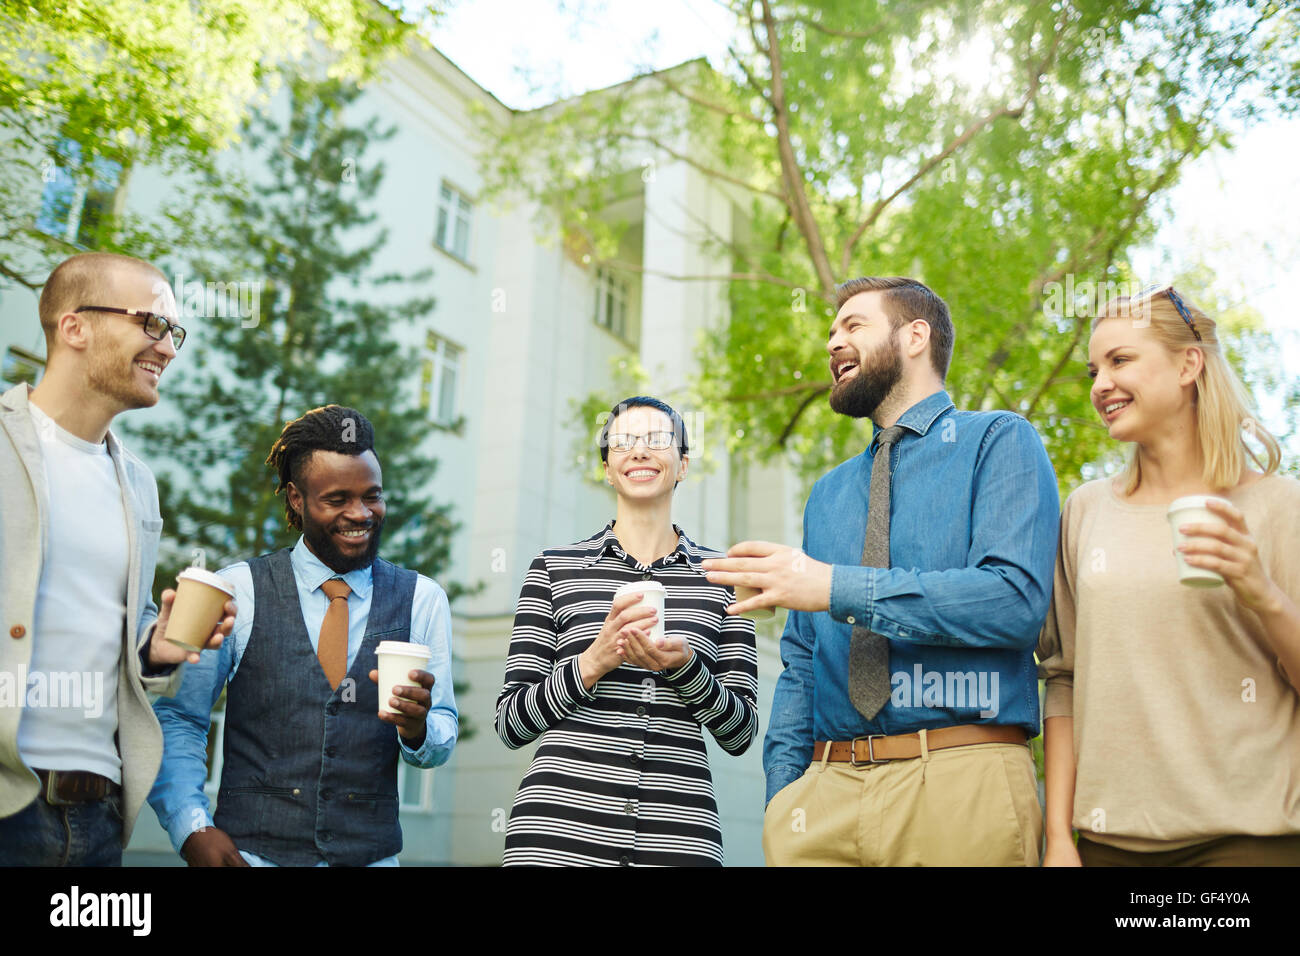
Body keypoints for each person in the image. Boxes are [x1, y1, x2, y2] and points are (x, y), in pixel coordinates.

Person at [703, 276, 1059, 866]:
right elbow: (800, 662)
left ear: (915, 336)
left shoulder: (999, 441)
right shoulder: (828, 494)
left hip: (959, 781)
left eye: (853, 325)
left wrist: (835, 587)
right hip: (825, 799)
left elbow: (1013, 602)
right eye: (831, 330)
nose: (832, 342)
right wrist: (784, 797)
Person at [1038, 286, 1300, 866]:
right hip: (1109, 844)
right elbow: (1064, 679)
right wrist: (1059, 837)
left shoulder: (1280, 507)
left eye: (1121, 360)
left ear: (1189, 363)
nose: (1100, 383)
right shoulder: (1085, 511)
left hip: (1245, 844)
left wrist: (1265, 596)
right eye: (1093, 369)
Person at [148, 404, 458, 866]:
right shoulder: (238, 590)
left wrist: (417, 729)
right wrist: (192, 828)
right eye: (337, 500)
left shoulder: (423, 599)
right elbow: (180, 718)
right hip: (252, 857)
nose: (361, 514)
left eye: (372, 496)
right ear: (295, 498)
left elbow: (441, 735)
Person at [0, 252, 232, 866]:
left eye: (173, 332)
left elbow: (115, 643)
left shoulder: (136, 484)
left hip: (98, 821)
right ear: (75, 327)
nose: (169, 349)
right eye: (152, 325)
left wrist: (158, 647)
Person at [496, 395, 758, 866]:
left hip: (678, 837)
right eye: (623, 443)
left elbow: (741, 733)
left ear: (682, 465)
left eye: (657, 440)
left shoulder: (725, 578)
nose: (639, 451)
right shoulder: (554, 568)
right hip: (556, 835)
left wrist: (686, 669)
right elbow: (511, 723)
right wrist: (594, 661)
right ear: (608, 468)